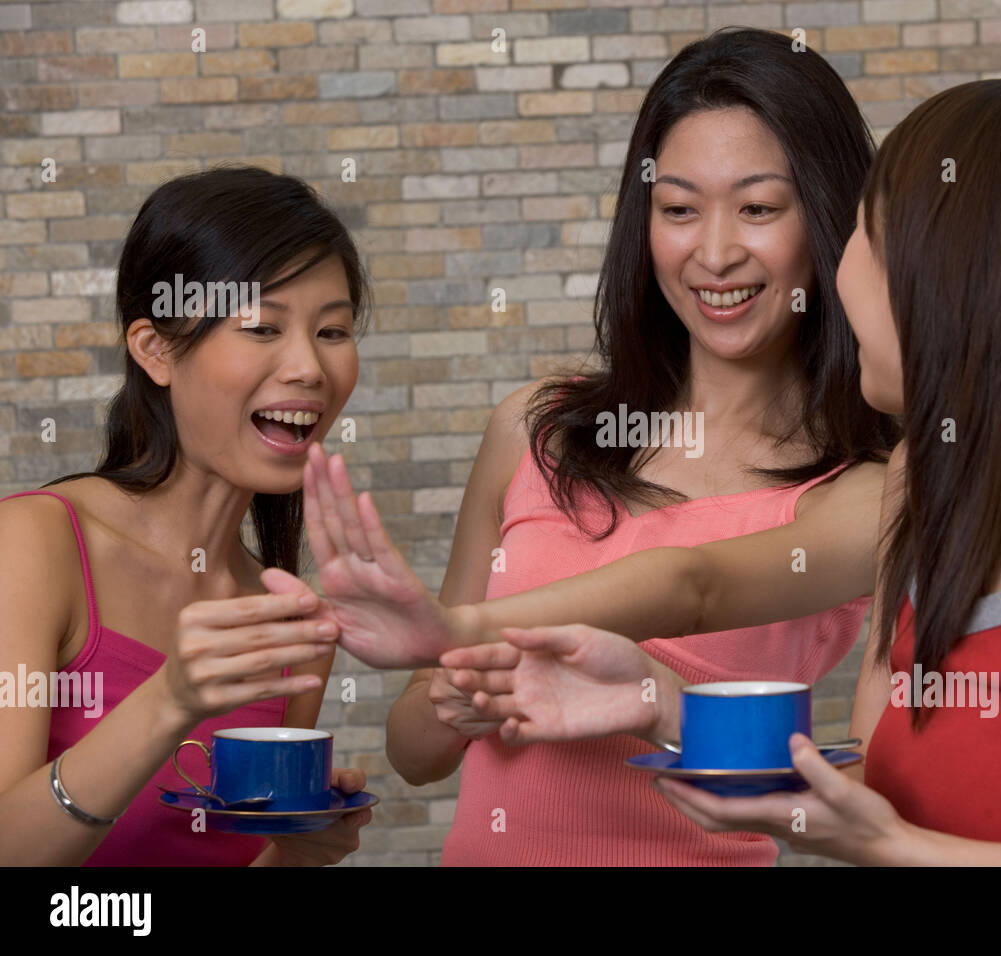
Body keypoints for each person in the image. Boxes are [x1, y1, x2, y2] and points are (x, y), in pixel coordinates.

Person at [444, 79, 1001, 865]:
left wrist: (903, 850)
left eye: (867, 239)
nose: (839, 278)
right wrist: (665, 705)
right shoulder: (922, 492)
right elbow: (873, 806)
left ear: (955, 281)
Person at [282, 28, 898, 865]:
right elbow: (415, 755)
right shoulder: (534, 427)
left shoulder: (864, 489)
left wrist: (451, 628)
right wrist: (450, 696)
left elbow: (694, 583)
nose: (714, 253)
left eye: (758, 208)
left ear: (826, 219)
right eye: (678, 209)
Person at [0, 166, 373, 865]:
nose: (310, 369)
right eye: (263, 326)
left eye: (332, 331)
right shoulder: (33, 544)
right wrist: (170, 699)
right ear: (156, 349)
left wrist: (296, 854)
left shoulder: (290, 621)